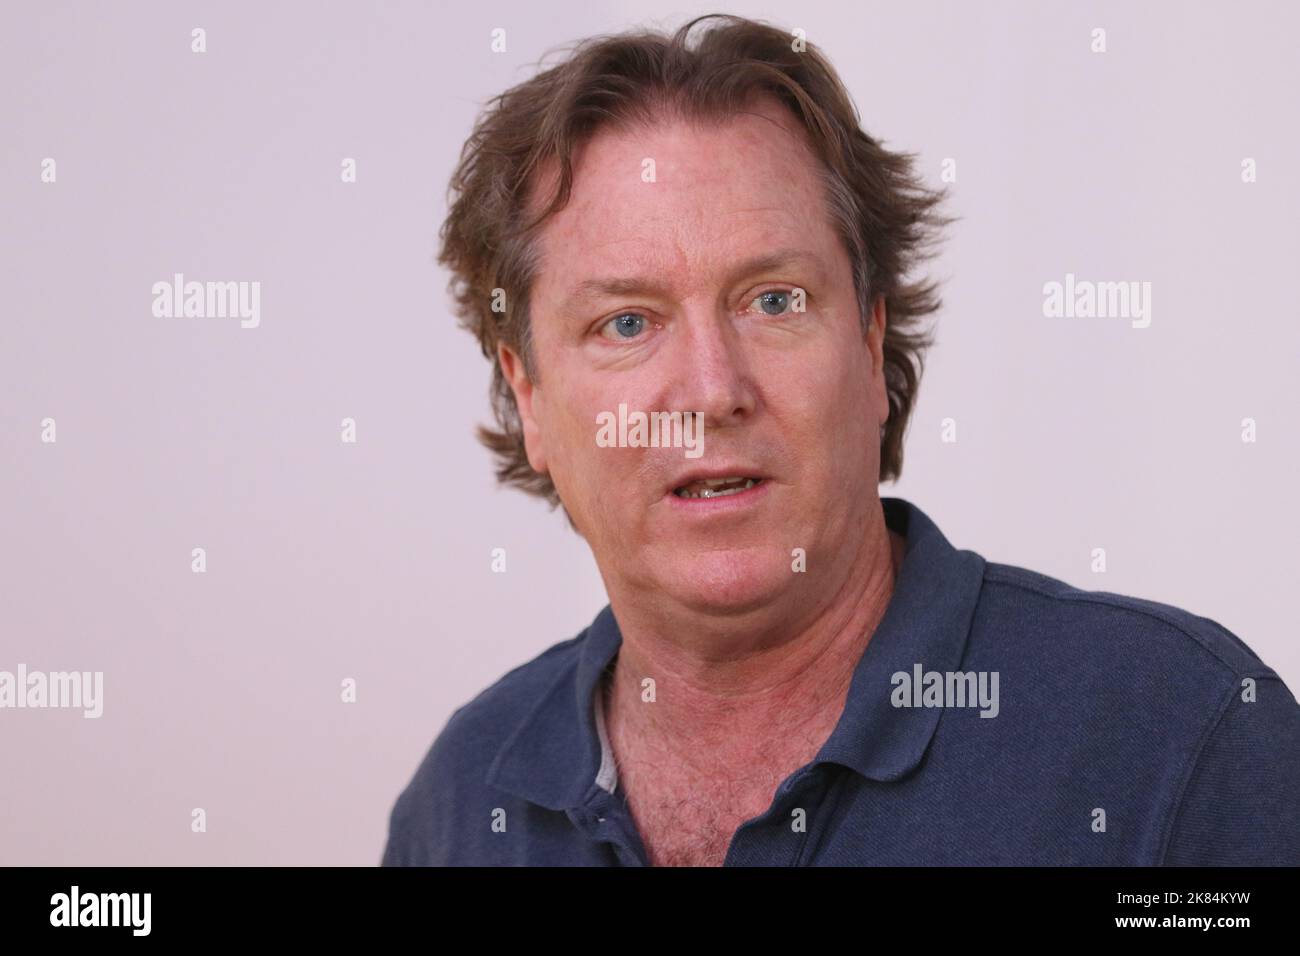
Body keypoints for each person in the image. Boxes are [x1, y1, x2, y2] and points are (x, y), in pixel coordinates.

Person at [382, 14, 1299, 866]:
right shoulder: (462, 799)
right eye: (627, 322)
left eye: (774, 301)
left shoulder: (1179, 739)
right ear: (530, 398)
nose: (711, 391)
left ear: (868, 346)